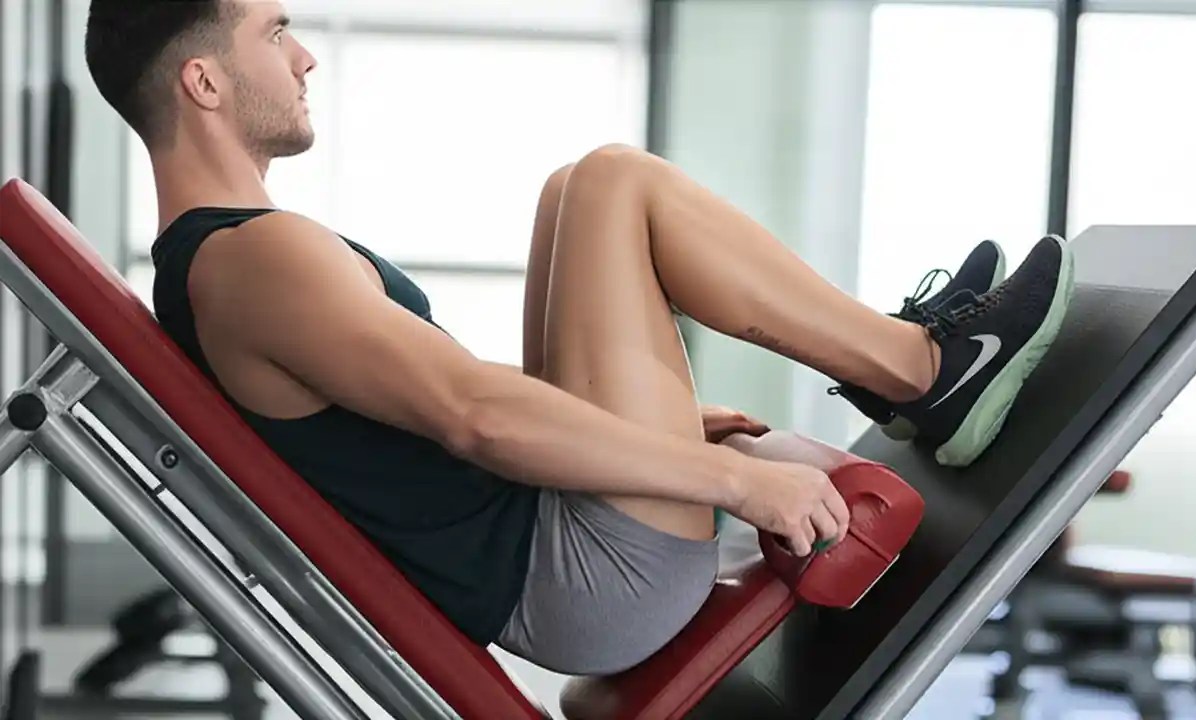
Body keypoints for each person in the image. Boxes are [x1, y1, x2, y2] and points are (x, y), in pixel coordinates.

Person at [84, 0, 1074, 676]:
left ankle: (907, 359)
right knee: (614, 181)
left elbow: (445, 413)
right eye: (275, 30)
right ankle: (920, 369)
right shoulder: (252, 262)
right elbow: (471, 415)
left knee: (573, 192)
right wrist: (730, 480)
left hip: (555, 542)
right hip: (580, 579)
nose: (303, 55)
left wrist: (663, 430)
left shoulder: (218, 261)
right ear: (205, 82)